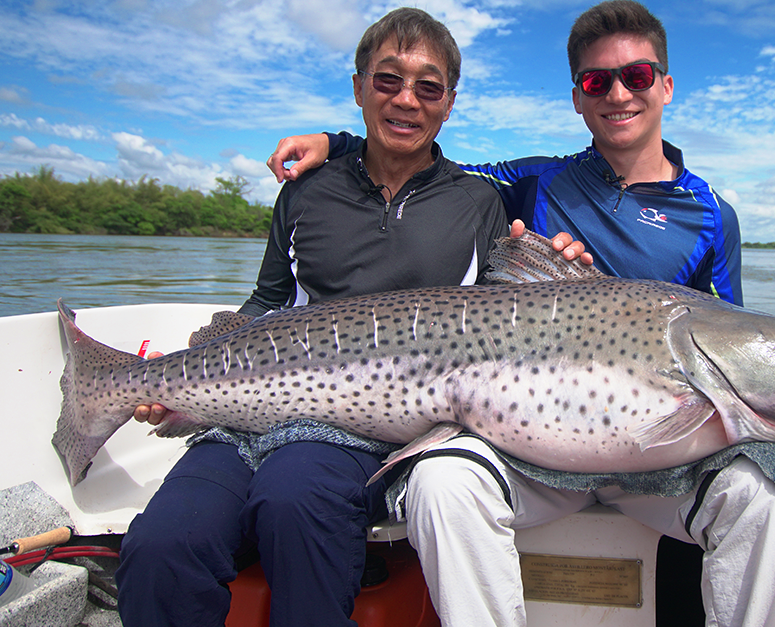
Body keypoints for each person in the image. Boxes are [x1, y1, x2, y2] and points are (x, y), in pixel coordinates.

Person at [267, 2, 775, 627]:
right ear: (577, 99)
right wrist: (339, 142)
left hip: (661, 452)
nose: (618, 93)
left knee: (769, 494)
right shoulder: (536, 182)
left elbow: (729, 344)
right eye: (596, 82)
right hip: (533, 449)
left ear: (665, 86)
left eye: (637, 76)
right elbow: (419, 155)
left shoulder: (712, 215)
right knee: (441, 484)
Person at [115, 9, 513, 627]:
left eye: (427, 87)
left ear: (449, 103)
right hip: (245, 416)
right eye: (387, 81)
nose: (406, 100)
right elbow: (265, 302)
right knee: (161, 546)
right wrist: (179, 377)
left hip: (363, 428)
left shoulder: (479, 201)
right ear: (358, 88)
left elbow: (500, 328)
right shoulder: (306, 188)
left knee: (293, 503)